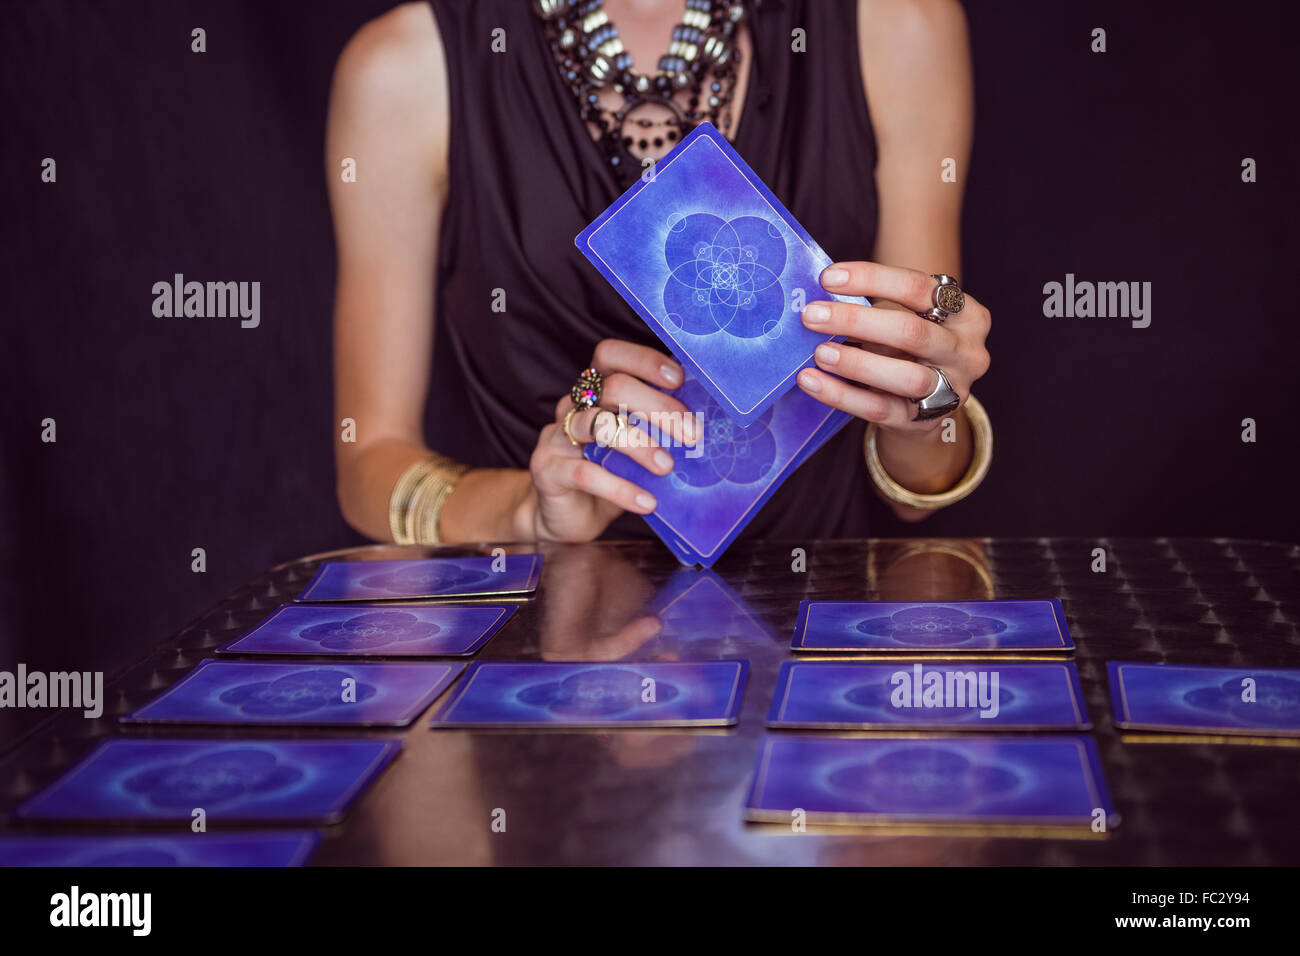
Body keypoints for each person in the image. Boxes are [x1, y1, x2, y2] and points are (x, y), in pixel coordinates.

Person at [326, 0, 992, 549]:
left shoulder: (899, 25)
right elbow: (368, 460)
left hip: (811, 652)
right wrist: (525, 510)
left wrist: (928, 409)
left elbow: (918, 490)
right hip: (549, 662)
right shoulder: (403, 70)